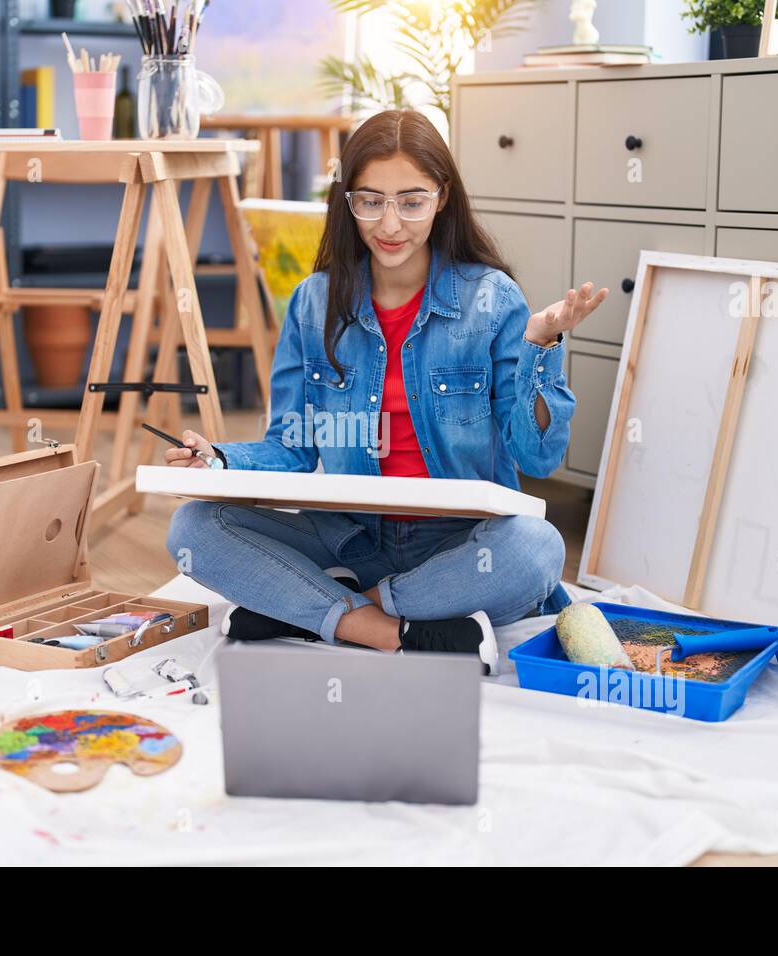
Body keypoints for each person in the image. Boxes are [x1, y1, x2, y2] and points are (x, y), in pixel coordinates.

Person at [165, 109, 607, 672]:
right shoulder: (314, 303)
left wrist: (541, 346)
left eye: (411, 201)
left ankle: (317, 613)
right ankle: (395, 629)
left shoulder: (492, 300)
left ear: (441, 198)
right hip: (351, 542)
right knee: (196, 526)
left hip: (459, 545)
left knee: (538, 549)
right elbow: (294, 449)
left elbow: (536, 456)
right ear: (347, 201)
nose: (390, 224)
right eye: (370, 201)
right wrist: (219, 460)